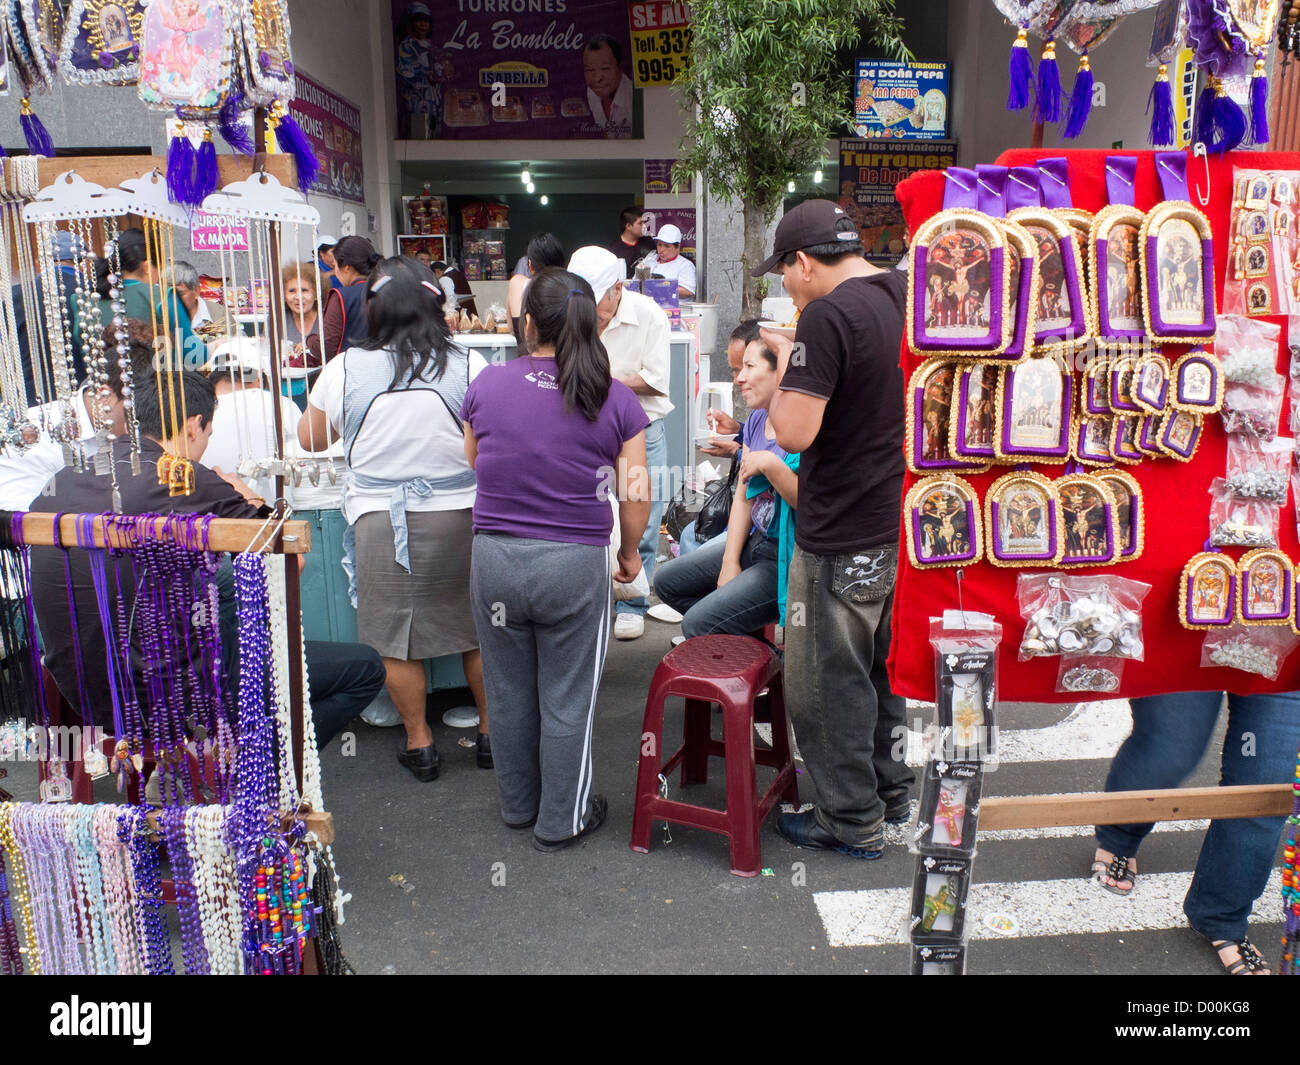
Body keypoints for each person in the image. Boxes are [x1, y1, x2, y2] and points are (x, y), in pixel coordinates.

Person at [28, 367, 385, 750]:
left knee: (220, 595)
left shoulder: (66, 477)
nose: (204, 447)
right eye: (208, 435)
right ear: (194, 425)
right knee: (364, 668)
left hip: (84, 687)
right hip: (169, 691)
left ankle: (223, 754)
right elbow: (288, 562)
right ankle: (257, 769)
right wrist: (244, 494)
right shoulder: (181, 476)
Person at [460, 267, 650, 849]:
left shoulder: (489, 383)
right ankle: (561, 819)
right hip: (572, 564)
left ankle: (519, 806)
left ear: (527, 323)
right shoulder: (613, 397)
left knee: (509, 687)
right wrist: (630, 550)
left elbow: (475, 461)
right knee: (568, 694)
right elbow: (636, 492)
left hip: (494, 559)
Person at [756, 199, 913, 858]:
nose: (786, 286)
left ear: (803, 262)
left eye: (784, 274)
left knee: (825, 678)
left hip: (841, 526)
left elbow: (793, 430)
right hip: (896, 520)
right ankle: (891, 789)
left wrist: (789, 358)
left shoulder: (826, 314)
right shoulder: (902, 292)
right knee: (880, 667)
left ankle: (850, 817)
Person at [298, 256, 490, 781]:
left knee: (392, 636)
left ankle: (420, 743)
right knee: (477, 629)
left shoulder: (344, 370)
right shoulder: (471, 366)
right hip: (463, 517)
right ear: (437, 306)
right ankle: (491, 736)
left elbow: (310, 439)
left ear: (374, 311)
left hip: (381, 520)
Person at [1091, 692, 1300, 974]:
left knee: (1262, 781)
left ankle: (1222, 915)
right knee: (1170, 749)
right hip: (1184, 647)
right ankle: (1120, 836)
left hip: (1281, 654)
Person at [655, 337, 797, 638]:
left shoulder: (800, 429)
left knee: (697, 623)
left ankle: (769, 667)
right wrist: (730, 562)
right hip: (752, 540)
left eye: (748, 366)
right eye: (737, 368)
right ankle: (745, 648)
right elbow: (745, 499)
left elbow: (808, 502)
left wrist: (772, 465)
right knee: (666, 582)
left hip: (780, 556)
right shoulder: (757, 420)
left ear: (779, 371)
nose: (739, 378)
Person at [567, 246, 672, 641]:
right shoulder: (573, 312)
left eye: (598, 303)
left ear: (617, 288)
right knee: (590, 513)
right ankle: (592, 599)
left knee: (641, 516)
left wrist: (600, 380)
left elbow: (656, 379)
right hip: (585, 426)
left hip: (642, 427)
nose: (593, 313)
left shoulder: (648, 315)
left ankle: (631, 602)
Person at [0, 320, 151, 511]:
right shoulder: (29, 436)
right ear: (106, 397)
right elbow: (23, 524)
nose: (147, 418)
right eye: (140, 408)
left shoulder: (127, 431)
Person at [200, 336, 302, 503]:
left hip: (208, 515)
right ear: (258, 376)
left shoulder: (196, 412)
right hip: (269, 515)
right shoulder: (280, 405)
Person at [16, 230, 89, 402]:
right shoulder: (94, 292)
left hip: (33, 401)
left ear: (39, 263)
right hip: (87, 400)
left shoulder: (16, 296)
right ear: (83, 264)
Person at [309, 235, 379, 364]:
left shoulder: (341, 296)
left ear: (347, 267)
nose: (335, 271)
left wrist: (310, 340)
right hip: (388, 371)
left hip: (354, 370)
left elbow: (325, 347)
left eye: (335, 266)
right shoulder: (387, 289)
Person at [507, 232, 565, 344]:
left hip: (525, 358)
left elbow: (510, 327)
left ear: (530, 265)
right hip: (561, 360)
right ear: (562, 264)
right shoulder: (570, 287)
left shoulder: (517, 283)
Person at [281, 261, 322, 409]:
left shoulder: (327, 318)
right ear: (284, 296)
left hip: (322, 393)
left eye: (304, 290)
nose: (298, 297)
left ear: (316, 294)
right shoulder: (278, 320)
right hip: (289, 399)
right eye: (292, 291)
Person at [582, 33, 633, 138]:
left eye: (605, 68)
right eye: (590, 70)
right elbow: (606, 132)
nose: (597, 78)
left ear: (620, 68)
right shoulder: (592, 91)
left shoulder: (634, 100)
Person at [644, 223, 697, 299]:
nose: (661, 249)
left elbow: (688, 291)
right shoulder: (650, 260)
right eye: (659, 244)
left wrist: (661, 287)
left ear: (677, 247)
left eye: (667, 246)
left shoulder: (685, 265)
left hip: (672, 308)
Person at [609, 206, 655, 277]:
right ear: (628, 226)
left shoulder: (649, 241)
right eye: (640, 223)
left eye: (644, 222)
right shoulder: (614, 249)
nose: (644, 226)